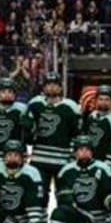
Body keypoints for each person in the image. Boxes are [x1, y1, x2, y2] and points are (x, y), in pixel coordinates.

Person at [27, 73, 80, 207]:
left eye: (55, 85)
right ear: (43, 87)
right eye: (48, 84)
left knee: (64, 195)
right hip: (40, 158)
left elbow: (76, 134)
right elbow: (28, 134)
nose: (51, 88)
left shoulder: (71, 106)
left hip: (63, 159)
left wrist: (73, 157)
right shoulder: (35, 104)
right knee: (39, 195)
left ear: (60, 88)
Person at [83, 85, 111, 173]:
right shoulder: (91, 116)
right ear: (96, 101)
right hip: (92, 164)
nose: (103, 102)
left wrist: (107, 165)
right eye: (101, 99)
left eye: (107, 99)